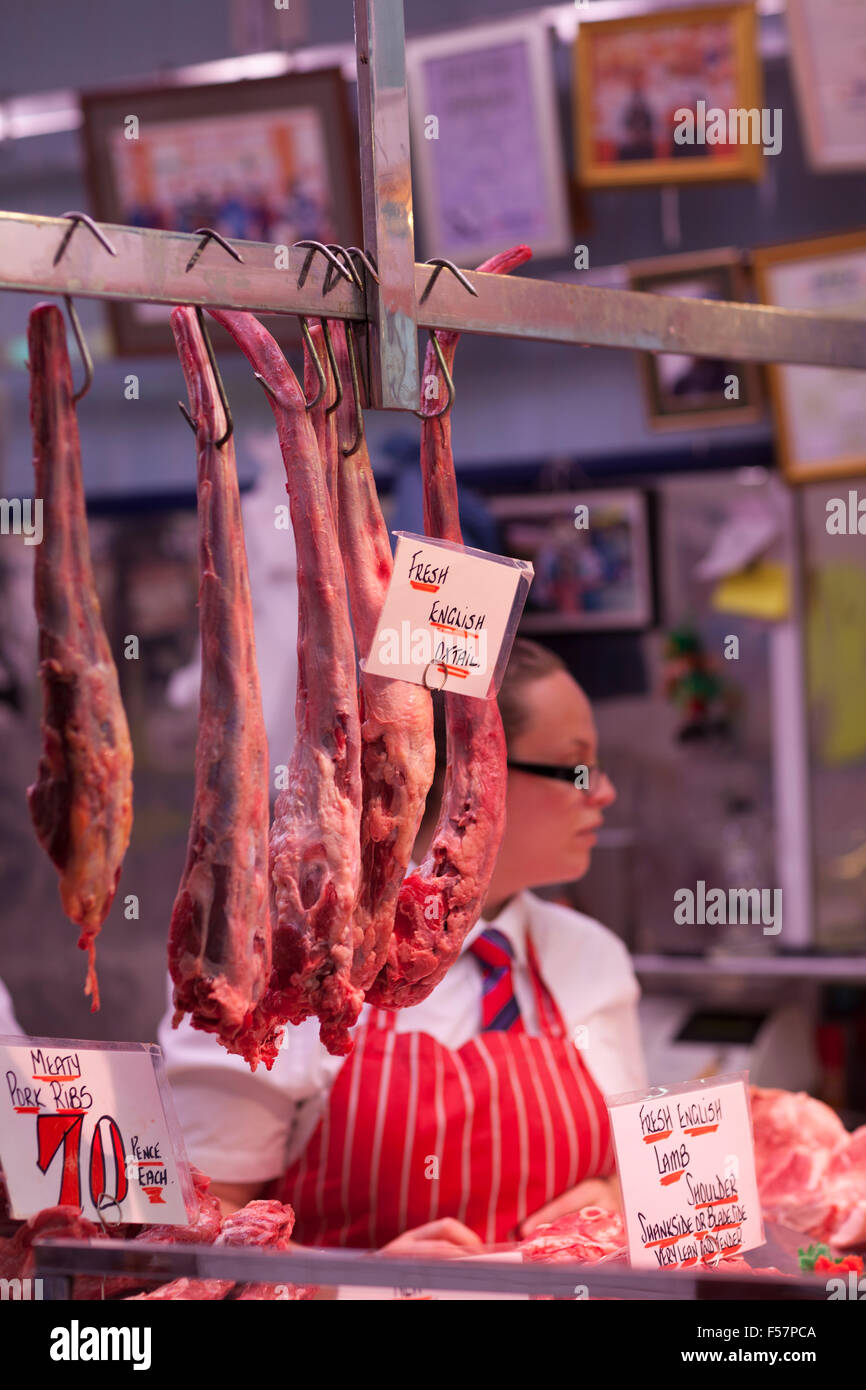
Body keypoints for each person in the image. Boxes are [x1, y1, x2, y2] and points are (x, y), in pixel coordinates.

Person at [159, 639, 646, 1252]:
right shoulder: (292, 964)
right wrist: (358, 1289)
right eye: (577, 768)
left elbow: (637, 1169)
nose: (603, 793)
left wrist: (617, 1198)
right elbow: (198, 1226)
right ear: (479, 774)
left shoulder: (591, 958)